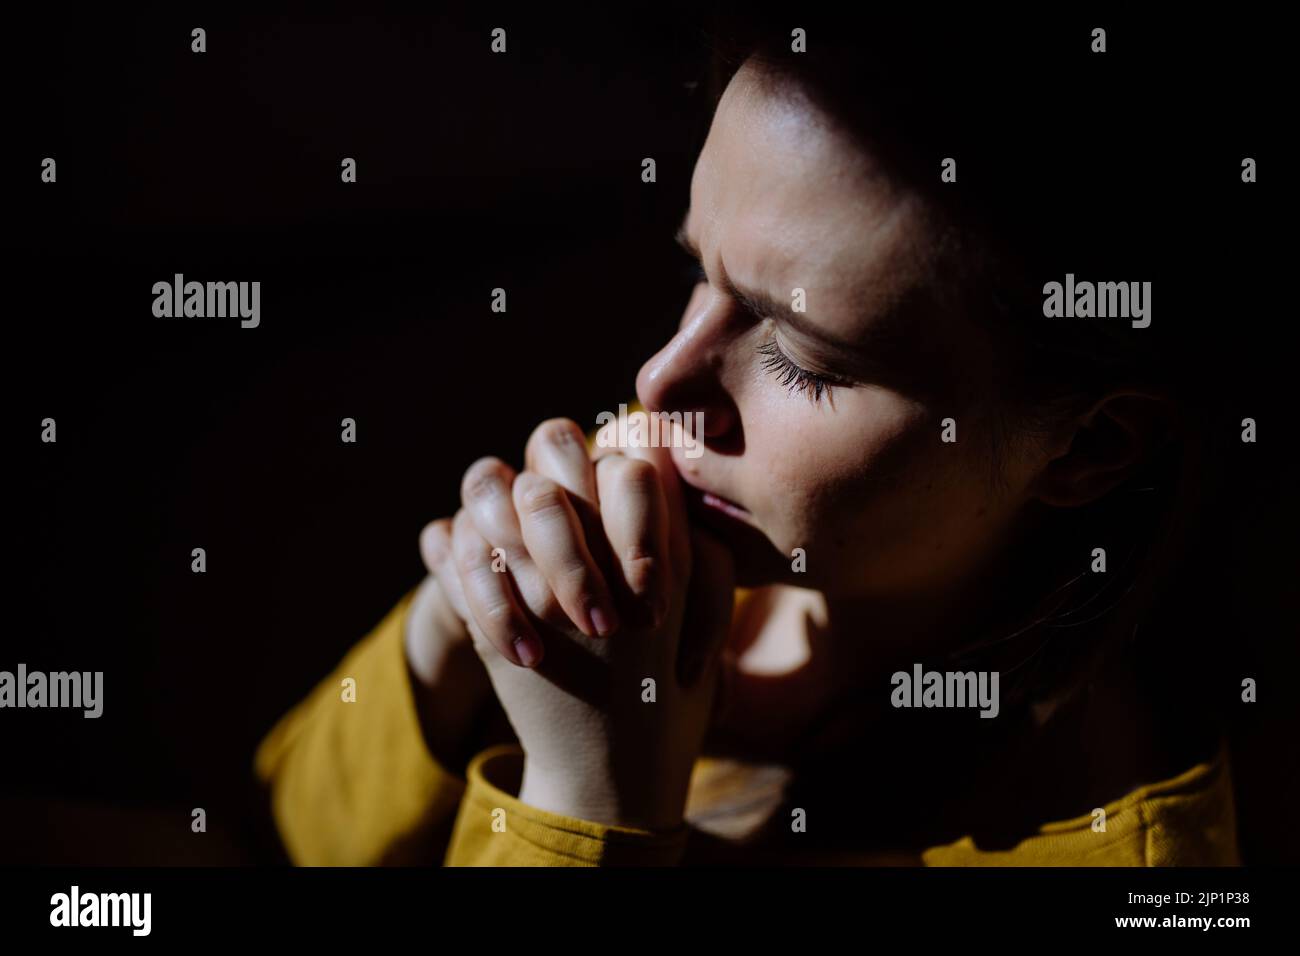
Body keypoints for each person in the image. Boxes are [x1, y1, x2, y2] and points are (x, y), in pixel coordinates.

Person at [253, 15, 1240, 866]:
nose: (660, 380)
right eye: (699, 271)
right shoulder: (662, 533)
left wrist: (585, 805)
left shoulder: (1118, 848)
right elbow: (275, 834)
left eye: (802, 361)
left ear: (1084, 449)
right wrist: (448, 635)